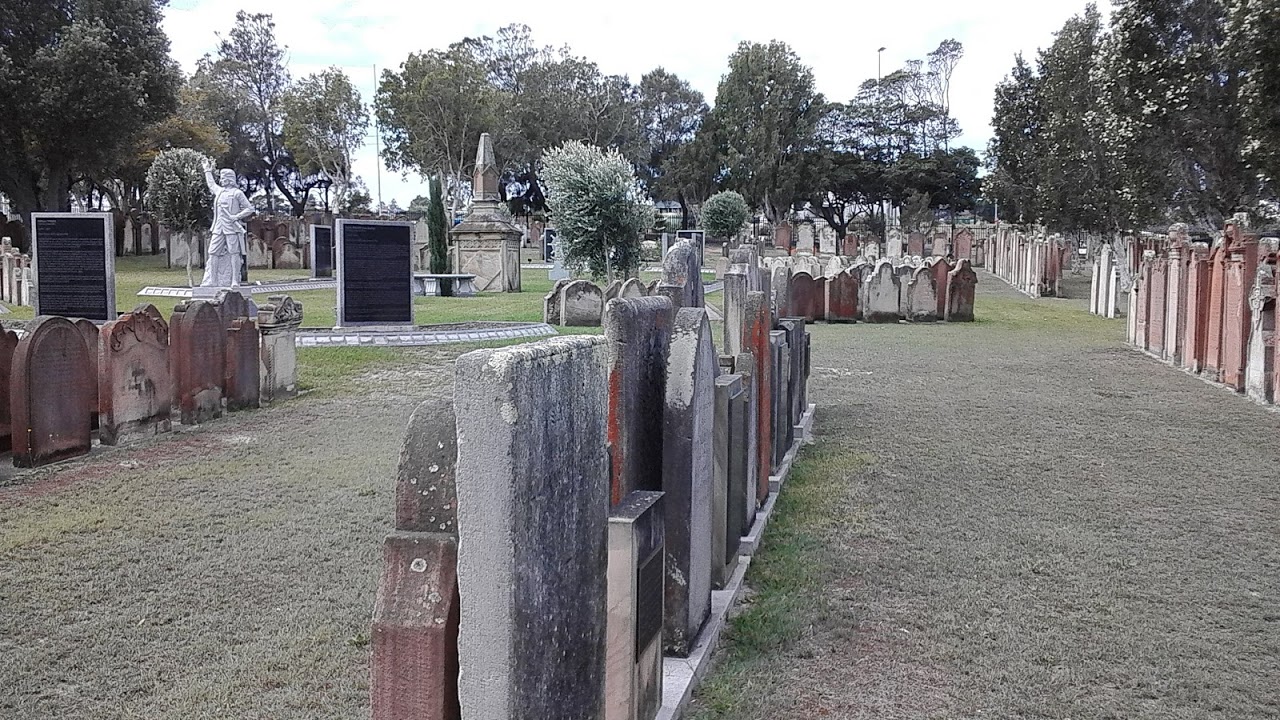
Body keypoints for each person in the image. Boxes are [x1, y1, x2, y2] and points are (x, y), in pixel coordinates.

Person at [201, 162, 256, 287]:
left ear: (230, 179)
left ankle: (234, 281)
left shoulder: (237, 193)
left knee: (234, 253)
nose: (222, 181)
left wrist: (236, 217)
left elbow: (249, 208)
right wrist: (207, 171)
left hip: (231, 228)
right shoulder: (219, 192)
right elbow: (211, 185)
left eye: (224, 178)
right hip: (218, 227)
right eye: (221, 178)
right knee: (213, 252)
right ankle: (213, 281)